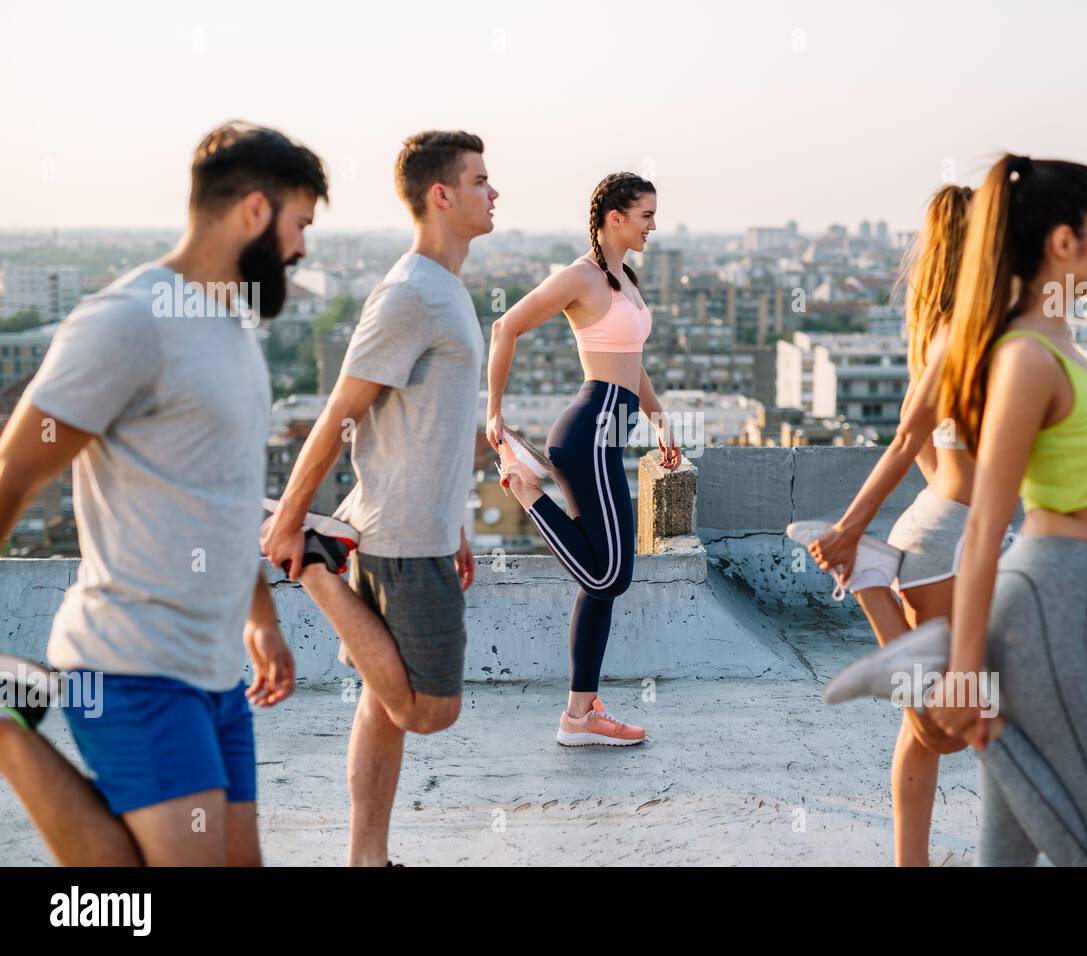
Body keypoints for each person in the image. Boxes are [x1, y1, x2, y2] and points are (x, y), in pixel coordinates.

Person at [825, 154, 1087, 866]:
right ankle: (908, 650)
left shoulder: (1028, 342)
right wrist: (963, 666)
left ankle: (914, 655)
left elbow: (1048, 487)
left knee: (1003, 836)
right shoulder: (1017, 353)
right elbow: (990, 508)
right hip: (1036, 589)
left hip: (1028, 568)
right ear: (1062, 241)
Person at [0, 121, 324, 865]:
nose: (303, 248)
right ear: (253, 211)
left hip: (213, 673)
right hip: (130, 662)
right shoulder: (130, 319)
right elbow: (16, 469)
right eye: (299, 223)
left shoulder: (232, 334)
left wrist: (261, 619)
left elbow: (228, 496)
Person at [261, 130, 489, 866]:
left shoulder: (444, 290)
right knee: (428, 711)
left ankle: (367, 858)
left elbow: (430, 425)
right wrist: (294, 524)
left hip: (419, 526)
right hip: (395, 538)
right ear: (440, 195)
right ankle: (318, 569)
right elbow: (338, 412)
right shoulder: (410, 293)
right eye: (480, 181)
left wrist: (454, 517)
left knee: (381, 707)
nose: (495, 193)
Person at [789, 184, 974, 867]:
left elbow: (924, 444)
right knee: (951, 723)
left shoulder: (938, 327)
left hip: (940, 525)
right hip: (947, 535)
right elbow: (905, 440)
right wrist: (852, 528)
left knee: (923, 729)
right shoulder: (967, 332)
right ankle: (868, 578)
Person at [486, 172, 680, 746]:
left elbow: (631, 362)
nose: (653, 225)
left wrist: (660, 420)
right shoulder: (580, 276)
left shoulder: (625, 278)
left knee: (599, 584)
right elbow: (505, 326)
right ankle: (526, 491)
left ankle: (580, 716)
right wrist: (493, 412)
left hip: (609, 431)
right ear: (614, 216)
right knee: (610, 574)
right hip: (589, 431)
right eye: (645, 214)